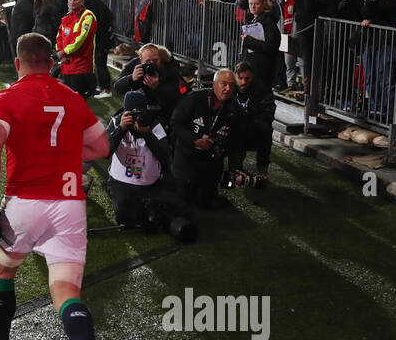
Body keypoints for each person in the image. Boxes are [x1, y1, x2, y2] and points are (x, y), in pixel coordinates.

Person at [0, 33, 117, 340]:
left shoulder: (5, 99)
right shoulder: (72, 98)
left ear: (19, 63)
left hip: (25, 202)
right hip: (69, 203)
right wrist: (68, 152)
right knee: (66, 291)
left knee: (3, 270)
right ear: (51, 61)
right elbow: (102, 147)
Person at [104, 80, 198, 242]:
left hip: (150, 184)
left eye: (138, 113)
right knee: (124, 217)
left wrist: (147, 135)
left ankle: (153, 210)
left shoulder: (153, 124)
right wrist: (121, 129)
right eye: (131, 113)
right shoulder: (116, 122)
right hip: (122, 182)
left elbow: (166, 155)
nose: (135, 117)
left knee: (185, 210)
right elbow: (105, 152)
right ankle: (150, 211)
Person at [170, 68, 239, 208]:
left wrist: (218, 143)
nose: (228, 88)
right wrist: (194, 140)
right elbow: (176, 123)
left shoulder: (234, 109)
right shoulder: (194, 99)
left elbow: (236, 141)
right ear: (214, 85)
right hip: (186, 157)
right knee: (182, 200)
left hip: (210, 161)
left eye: (231, 85)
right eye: (224, 84)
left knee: (205, 202)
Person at [226, 60, 275, 184]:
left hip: (254, 130)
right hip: (232, 131)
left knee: (266, 131)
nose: (243, 82)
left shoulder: (263, 91)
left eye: (247, 78)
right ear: (235, 76)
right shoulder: (228, 88)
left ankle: (262, 171)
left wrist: (247, 122)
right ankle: (235, 170)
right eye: (240, 78)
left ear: (252, 76)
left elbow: (267, 116)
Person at [55, 0, 98, 98]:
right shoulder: (67, 17)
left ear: (82, 1)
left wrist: (64, 52)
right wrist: (60, 52)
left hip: (81, 67)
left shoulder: (88, 16)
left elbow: (81, 40)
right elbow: (59, 36)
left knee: (78, 102)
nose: (72, 2)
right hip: (66, 66)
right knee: (66, 101)